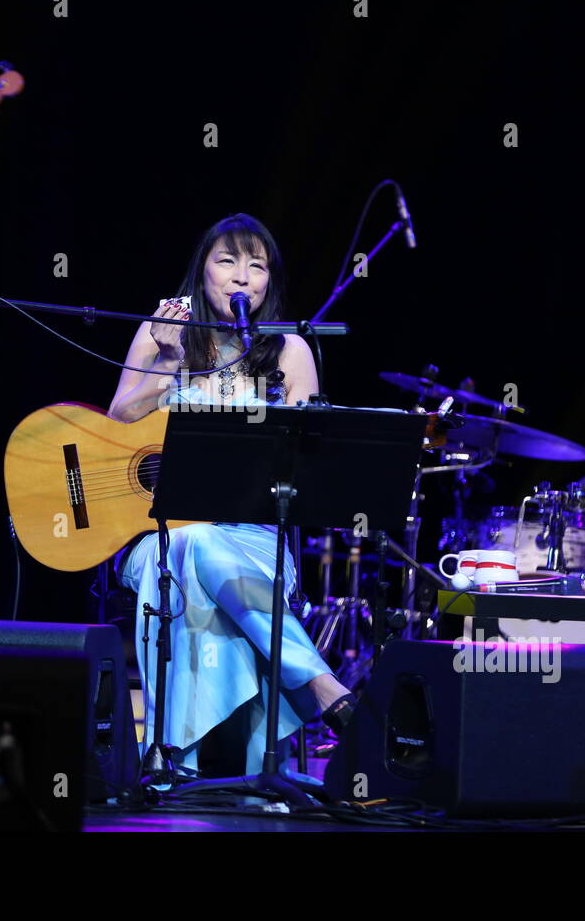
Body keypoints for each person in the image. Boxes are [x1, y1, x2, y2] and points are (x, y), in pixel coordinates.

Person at [107, 213, 355, 777]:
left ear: (269, 283)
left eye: (257, 265)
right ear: (204, 271)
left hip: (256, 540)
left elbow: (302, 462)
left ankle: (176, 763)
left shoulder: (289, 351)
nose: (242, 277)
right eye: (228, 261)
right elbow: (117, 419)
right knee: (192, 544)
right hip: (162, 533)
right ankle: (320, 689)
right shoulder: (159, 332)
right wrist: (168, 364)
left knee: (200, 562)